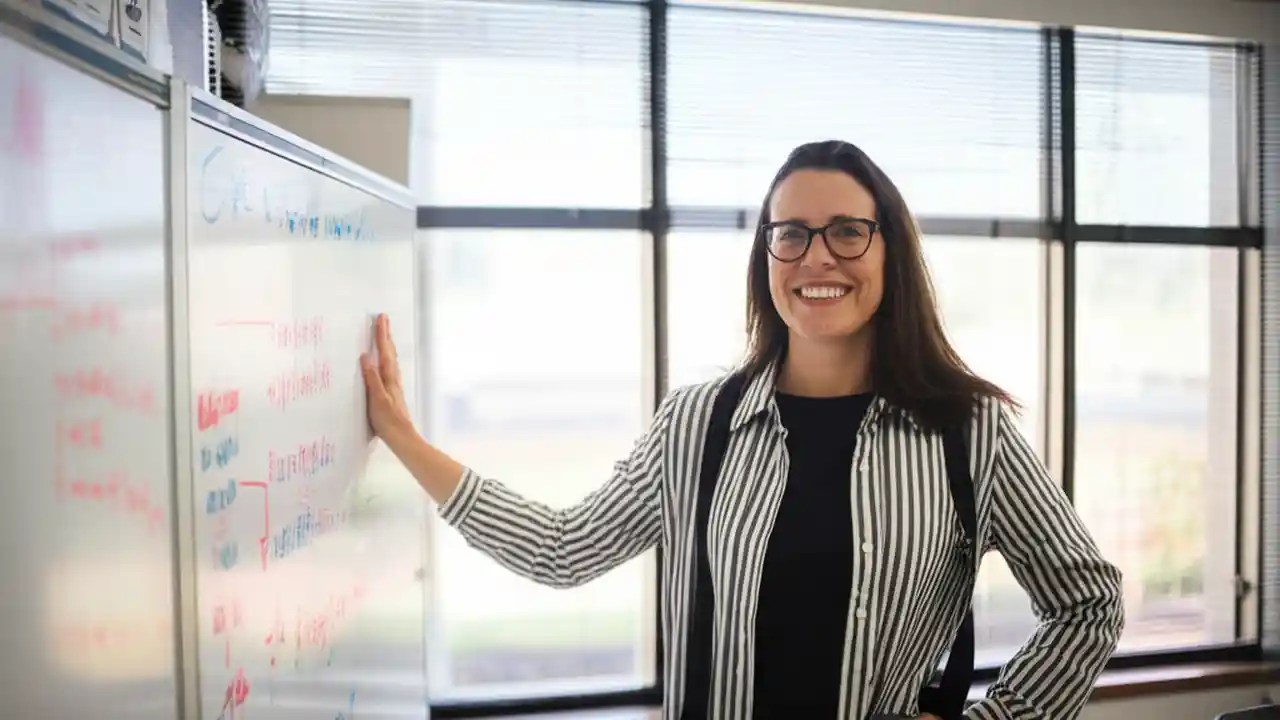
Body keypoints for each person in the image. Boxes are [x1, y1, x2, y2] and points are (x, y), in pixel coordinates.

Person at [360, 140, 1124, 720]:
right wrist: (404, 439)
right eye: (790, 234)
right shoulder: (697, 422)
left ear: (891, 251)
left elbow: (1087, 604)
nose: (816, 256)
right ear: (767, 256)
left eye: (848, 232)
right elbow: (563, 549)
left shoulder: (969, 431)